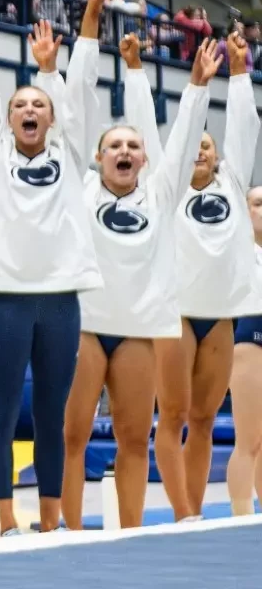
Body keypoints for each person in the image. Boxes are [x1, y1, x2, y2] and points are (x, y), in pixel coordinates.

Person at [52, 12, 214, 531]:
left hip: (139, 329)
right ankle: (69, 535)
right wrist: (89, 30)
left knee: (132, 440)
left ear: (145, 157)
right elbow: (74, 113)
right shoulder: (79, 189)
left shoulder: (162, 193)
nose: (124, 151)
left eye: (133, 145)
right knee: (71, 436)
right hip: (87, 325)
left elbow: (186, 139)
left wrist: (195, 88)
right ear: (98, 158)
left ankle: (130, 535)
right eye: (114, 146)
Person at [0, 0, 99, 536]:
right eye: (21, 106)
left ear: (51, 115)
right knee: (0, 412)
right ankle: (5, 521)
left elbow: (80, 86)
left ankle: (49, 521)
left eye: (39, 103)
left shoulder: (71, 151)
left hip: (61, 301)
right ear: (9, 119)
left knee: (52, 416)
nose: (30, 110)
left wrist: (82, 26)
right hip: (7, 304)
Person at [153, 30, 255, 520]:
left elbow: (244, 131)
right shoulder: (167, 188)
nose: (200, 152)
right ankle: (181, 512)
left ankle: (196, 515)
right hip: (177, 312)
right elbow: (182, 137)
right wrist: (197, 88)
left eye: (208, 147)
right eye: (194, 145)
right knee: (171, 415)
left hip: (220, 314)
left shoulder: (234, 183)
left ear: (217, 156)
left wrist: (239, 76)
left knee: (205, 419)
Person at [226, 186, 262, 516]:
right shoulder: (238, 251)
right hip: (252, 337)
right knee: (248, 441)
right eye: (258, 203)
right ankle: (240, 517)